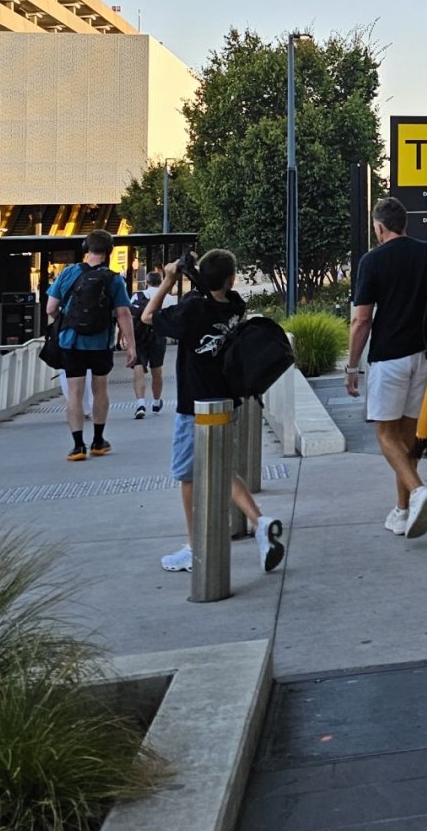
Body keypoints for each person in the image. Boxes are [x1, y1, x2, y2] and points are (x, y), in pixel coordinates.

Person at [142, 248, 284, 575]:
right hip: (225, 400)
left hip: (195, 405)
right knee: (220, 467)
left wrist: (168, 280)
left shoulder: (193, 308)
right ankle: (260, 522)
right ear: (231, 279)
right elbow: (211, 295)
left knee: (188, 476)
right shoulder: (234, 304)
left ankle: (194, 547)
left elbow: (149, 316)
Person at [345, 197, 427, 539]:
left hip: (389, 359)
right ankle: (402, 512)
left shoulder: (372, 261)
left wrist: (351, 367)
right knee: (407, 440)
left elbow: (362, 321)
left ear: (379, 227)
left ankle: (418, 491)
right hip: (424, 357)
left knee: (386, 436)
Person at [45, 230, 137, 462]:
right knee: (100, 390)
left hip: (71, 341)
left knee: (75, 393)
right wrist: (131, 346)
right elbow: (123, 313)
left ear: (86, 248)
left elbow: (50, 308)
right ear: (109, 251)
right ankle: (98, 441)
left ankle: (78, 446)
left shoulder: (69, 273)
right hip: (100, 343)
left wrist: (65, 320)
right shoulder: (114, 279)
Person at [129, 269, 169, 419]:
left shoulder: (138, 296)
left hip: (139, 336)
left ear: (147, 282)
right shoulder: (167, 298)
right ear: (161, 282)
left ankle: (140, 404)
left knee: (138, 369)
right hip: (158, 336)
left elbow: (130, 314)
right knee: (156, 370)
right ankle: (156, 402)